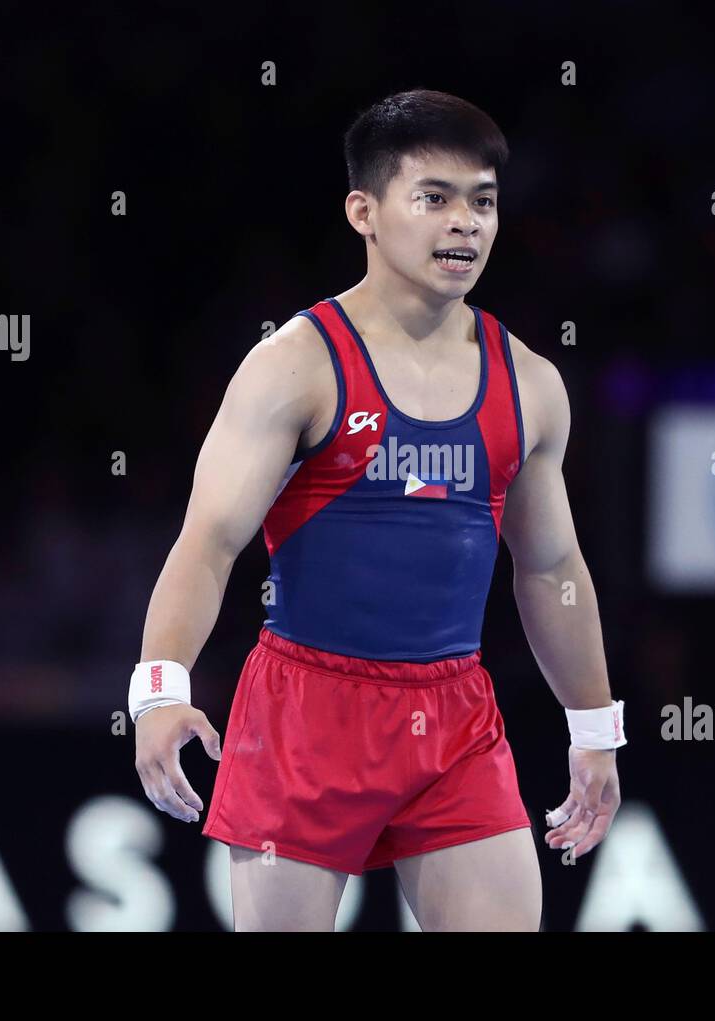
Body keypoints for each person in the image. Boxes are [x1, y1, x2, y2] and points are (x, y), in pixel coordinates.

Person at [129, 89, 624, 931]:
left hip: (455, 721)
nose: (464, 224)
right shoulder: (295, 367)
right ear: (365, 210)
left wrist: (594, 725)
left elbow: (550, 567)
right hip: (305, 717)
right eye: (434, 198)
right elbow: (208, 544)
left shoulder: (530, 382)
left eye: (483, 202)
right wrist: (159, 689)